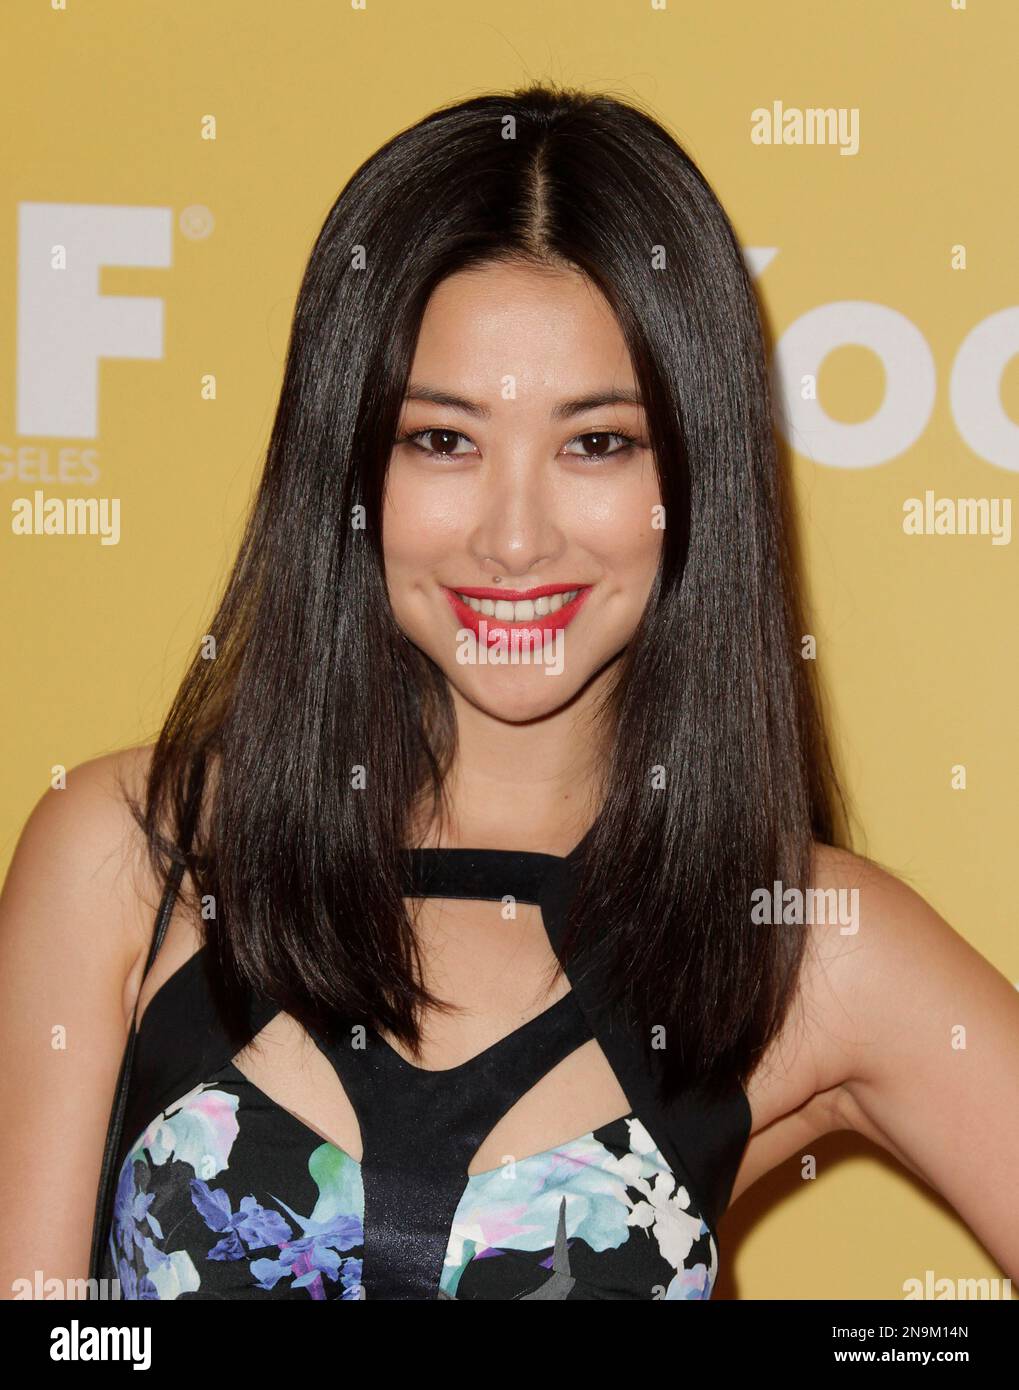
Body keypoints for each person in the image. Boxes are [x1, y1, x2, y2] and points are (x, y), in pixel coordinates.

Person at [1, 82, 1016, 1302]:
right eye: (443, 440)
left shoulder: (799, 942)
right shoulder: (130, 853)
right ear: (350, 463)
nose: (516, 539)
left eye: (597, 442)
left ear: (693, 473)